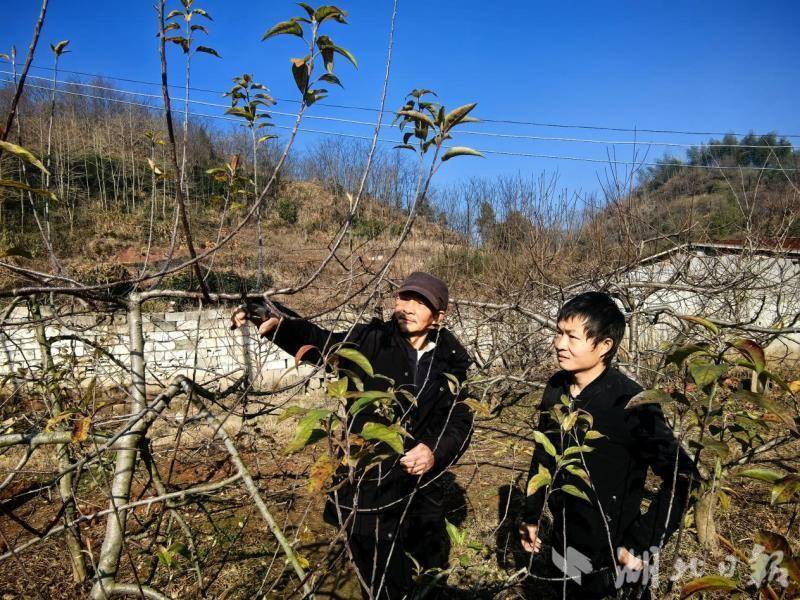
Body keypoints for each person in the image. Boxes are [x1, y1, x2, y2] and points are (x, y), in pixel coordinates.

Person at [231, 272, 473, 599]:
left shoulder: (452, 360)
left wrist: (433, 450)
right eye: (404, 297)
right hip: (369, 484)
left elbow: (459, 418)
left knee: (422, 575)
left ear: (439, 317)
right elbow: (322, 342)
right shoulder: (372, 339)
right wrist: (278, 321)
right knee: (376, 577)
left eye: (421, 302)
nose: (408, 307)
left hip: (420, 491)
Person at [519, 292, 700, 599]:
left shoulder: (629, 402)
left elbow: (686, 478)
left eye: (572, 337)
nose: (559, 344)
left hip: (614, 555)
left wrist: (642, 542)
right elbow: (544, 454)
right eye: (559, 333)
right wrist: (532, 514)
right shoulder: (556, 388)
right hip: (566, 540)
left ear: (604, 346)